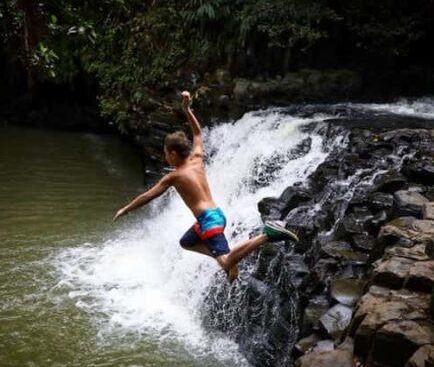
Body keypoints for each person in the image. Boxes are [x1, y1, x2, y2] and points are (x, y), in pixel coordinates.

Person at [113, 90, 299, 282]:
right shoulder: (198, 159)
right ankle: (229, 258)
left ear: (174, 154)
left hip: (209, 222)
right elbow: (198, 133)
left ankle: (266, 235)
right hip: (214, 216)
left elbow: (147, 196)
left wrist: (126, 209)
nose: (165, 157)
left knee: (225, 262)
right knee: (186, 242)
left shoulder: (174, 176)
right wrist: (187, 109)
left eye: (166, 153)